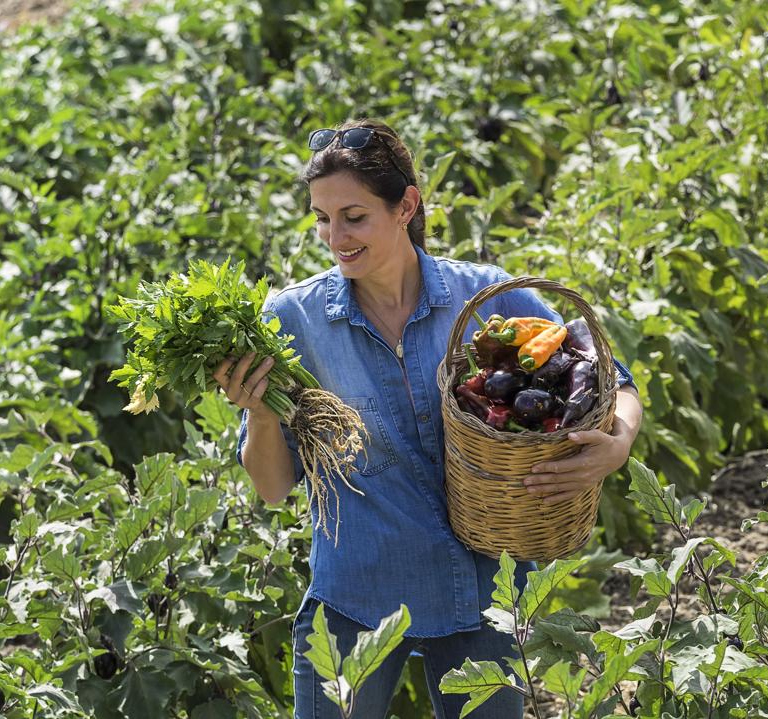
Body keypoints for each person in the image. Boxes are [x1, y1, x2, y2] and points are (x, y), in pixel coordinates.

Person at [213, 118, 643, 719]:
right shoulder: (294, 320)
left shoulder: (485, 298)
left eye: (354, 216)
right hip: (356, 595)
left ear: (406, 206)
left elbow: (611, 378)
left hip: (482, 594)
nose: (335, 237)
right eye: (322, 218)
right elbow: (271, 487)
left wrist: (619, 442)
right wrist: (261, 415)